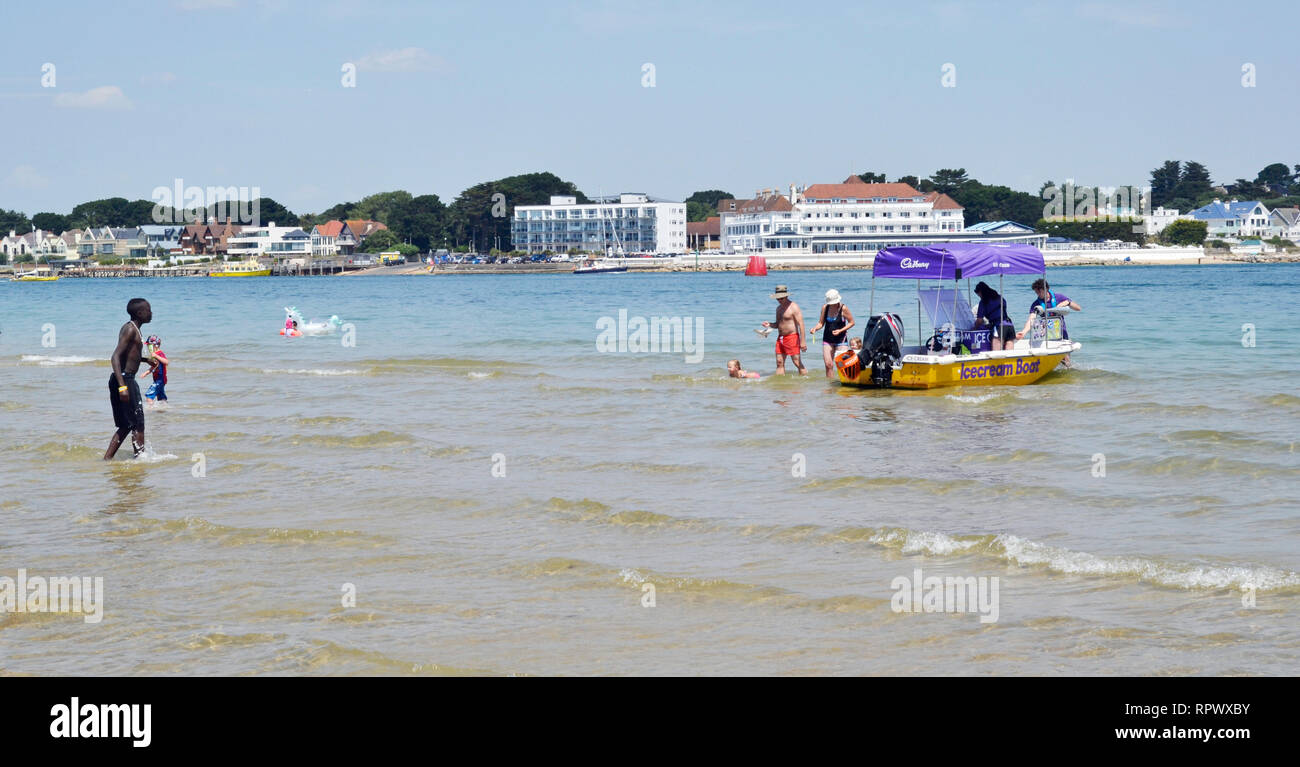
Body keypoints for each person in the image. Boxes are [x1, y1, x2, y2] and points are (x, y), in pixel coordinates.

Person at [104, 298, 157, 460]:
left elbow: (129, 355)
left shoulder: (135, 329)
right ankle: (140, 460)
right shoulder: (130, 330)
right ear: (140, 313)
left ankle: (107, 460)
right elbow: (115, 357)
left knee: (127, 425)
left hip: (125, 379)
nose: (151, 313)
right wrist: (122, 387)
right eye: (148, 310)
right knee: (137, 424)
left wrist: (144, 360)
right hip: (124, 380)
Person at [1016, 278, 1081, 366]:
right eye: (1036, 292)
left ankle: (1067, 375)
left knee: (1066, 360)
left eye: (1039, 292)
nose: (1038, 294)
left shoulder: (1059, 297)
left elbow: (1078, 308)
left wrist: (1067, 302)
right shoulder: (1036, 304)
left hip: (1061, 332)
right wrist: (1023, 332)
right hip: (1046, 334)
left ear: (1046, 289)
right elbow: (1031, 319)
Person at [760, 285, 807, 375]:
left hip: (792, 337)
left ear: (786, 296)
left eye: (781, 298)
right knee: (779, 362)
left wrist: (803, 341)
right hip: (781, 338)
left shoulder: (794, 307)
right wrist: (769, 324)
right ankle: (780, 387)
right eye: (778, 299)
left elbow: (801, 324)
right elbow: (778, 324)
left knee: (797, 362)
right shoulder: (778, 308)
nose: (779, 300)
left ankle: (805, 381)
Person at [810, 289, 855, 378]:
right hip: (827, 339)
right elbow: (821, 323)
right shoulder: (825, 308)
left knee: (843, 364)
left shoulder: (843, 308)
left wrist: (840, 330)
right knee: (828, 364)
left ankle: (845, 383)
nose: (832, 304)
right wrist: (815, 328)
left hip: (841, 340)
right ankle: (830, 385)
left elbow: (852, 322)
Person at [972, 281, 1016, 351]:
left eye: (978, 295)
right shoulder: (1000, 298)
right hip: (1009, 326)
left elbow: (979, 320)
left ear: (981, 292)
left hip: (999, 327)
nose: (979, 296)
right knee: (1009, 354)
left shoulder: (983, 302)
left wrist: (974, 328)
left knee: (996, 354)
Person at [144, 335, 169, 405]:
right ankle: (164, 409)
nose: (148, 348)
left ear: (156, 346)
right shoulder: (154, 355)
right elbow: (155, 366)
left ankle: (151, 409)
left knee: (149, 395)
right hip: (159, 380)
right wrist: (146, 372)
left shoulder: (159, 354)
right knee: (161, 398)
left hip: (160, 380)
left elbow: (166, 362)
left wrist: (156, 356)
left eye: (149, 346)